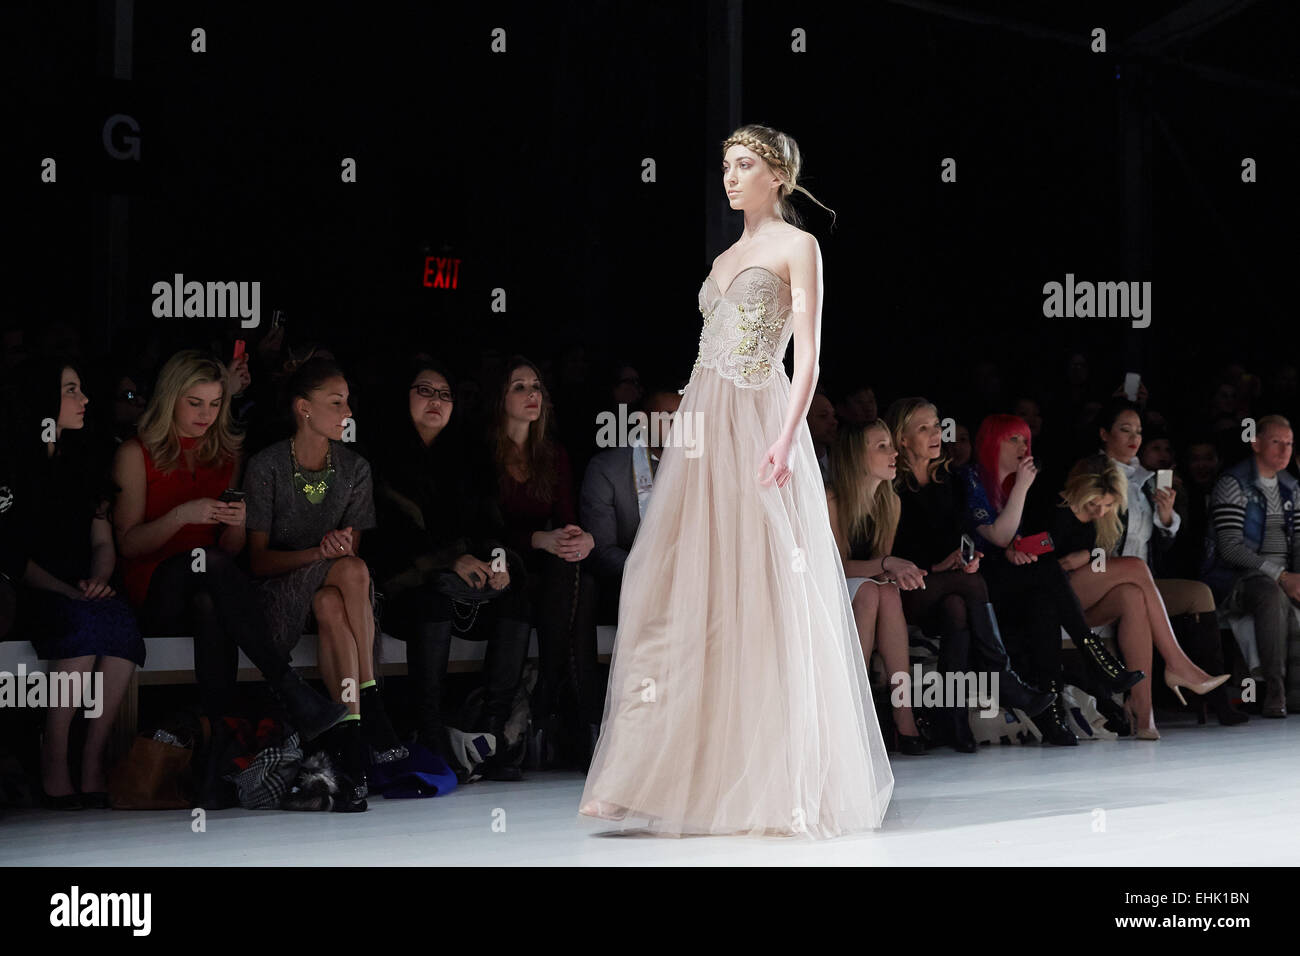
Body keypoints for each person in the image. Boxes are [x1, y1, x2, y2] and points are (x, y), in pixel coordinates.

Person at [579, 124, 893, 837]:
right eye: (725, 164)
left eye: (744, 164)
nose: (730, 176)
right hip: (700, 425)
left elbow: (808, 355)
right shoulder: (724, 258)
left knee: (760, 591)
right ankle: (640, 774)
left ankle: (772, 778)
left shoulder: (796, 247)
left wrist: (786, 436)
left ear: (777, 175)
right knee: (669, 584)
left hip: (757, 422)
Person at [113, 351, 346, 777]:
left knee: (210, 592)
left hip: (211, 586)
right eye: (195, 403)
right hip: (155, 587)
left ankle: (220, 749)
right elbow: (128, 544)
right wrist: (182, 515)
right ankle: (288, 686)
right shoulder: (136, 452)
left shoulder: (226, 453)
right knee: (209, 568)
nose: (206, 414)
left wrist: (237, 525)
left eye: (216, 403)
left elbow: (232, 548)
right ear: (171, 399)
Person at [243, 355, 405, 805]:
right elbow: (256, 562)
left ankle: (350, 752)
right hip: (277, 595)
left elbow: (351, 554)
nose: (347, 412)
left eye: (348, 402)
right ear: (304, 408)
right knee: (350, 572)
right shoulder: (266, 466)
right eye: (336, 402)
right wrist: (319, 551)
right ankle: (372, 701)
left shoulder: (355, 468)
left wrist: (333, 551)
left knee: (334, 600)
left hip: (334, 596)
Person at [365, 356, 531, 782]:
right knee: (431, 600)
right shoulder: (382, 454)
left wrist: (497, 560)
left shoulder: (468, 455)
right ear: (404, 398)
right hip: (406, 592)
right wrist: (447, 559)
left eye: (445, 395)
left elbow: (491, 526)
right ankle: (430, 729)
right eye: (424, 391)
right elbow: (386, 540)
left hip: (466, 591)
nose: (435, 402)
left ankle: (493, 730)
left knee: (518, 594)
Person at [10, 358, 144, 808]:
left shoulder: (85, 462)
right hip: (30, 590)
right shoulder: (13, 467)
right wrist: (70, 592)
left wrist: (100, 579)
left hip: (81, 588)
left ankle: (92, 758)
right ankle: (54, 755)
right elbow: (11, 556)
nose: (83, 399)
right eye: (71, 390)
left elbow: (102, 541)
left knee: (121, 625)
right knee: (83, 628)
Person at [884, 398, 1056, 745]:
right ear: (902, 439)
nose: (935, 434)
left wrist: (968, 557)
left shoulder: (951, 480)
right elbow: (887, 550)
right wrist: (937, 566)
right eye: (924, 428)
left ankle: (955, 720)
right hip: (900, 586)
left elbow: (964, 537)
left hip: (947, 587)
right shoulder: (891, 486)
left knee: (958, 607)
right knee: (969, 587)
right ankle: (1004, 680)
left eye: (936, 425)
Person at [964, 414, 1144, 745]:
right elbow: (997, 536)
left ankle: (1050, 712)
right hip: (977, 584)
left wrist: (1017, 552)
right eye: (1013, 439)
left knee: (1045, 599)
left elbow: (1021, 544)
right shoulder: (974, 479)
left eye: (1025, 440)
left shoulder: (1021, 489)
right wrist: (1021, 491)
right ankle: (1094, 655)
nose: (1022, 447)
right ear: (992, 443)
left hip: (1020, 580)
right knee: (1049, 573)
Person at [1051, 455, 1230, 738]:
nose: (1100, 511)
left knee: (1133, 596)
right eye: (1094, 504)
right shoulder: (1055, 506)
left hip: (1081, 605)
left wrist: (1088, 554)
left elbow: (1098, 555)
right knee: (1136, 567)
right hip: (1051, 597)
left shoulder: (1105, 516)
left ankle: (1143, 710)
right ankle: (1177, 663)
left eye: (1108, 505)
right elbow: (1043, 561)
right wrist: (1081, 557)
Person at [1096, 399, 1242, 724]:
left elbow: (1161, 546)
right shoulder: (1093, 473)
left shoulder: (1149, 480)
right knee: (1134, 583)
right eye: (1125, 429)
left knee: (1199, 593)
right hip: (1102, 578)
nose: (1134, 437)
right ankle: (1176, 671)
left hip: (1142, 577)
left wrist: (1166, 518)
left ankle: (1213, 698)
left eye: (1138, 431)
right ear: (1104, 433)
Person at [824, 421, 927, 753]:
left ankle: (903, 716)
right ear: (856, 455)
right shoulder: (832, 499)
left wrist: (896, 572)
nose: (894, 452)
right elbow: (835, 567)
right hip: (824, 588)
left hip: (865, 589)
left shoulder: (889, 502)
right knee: (870, 591)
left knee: (887, 591)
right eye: (881, 446)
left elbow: (881, 568)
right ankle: (858, 710)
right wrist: (886, 565)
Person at [1208, 415, 1300, 717]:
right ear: (1256, 442)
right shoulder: (1233, 483)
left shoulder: (1291, 487)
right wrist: (1282, 576)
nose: (1285, 450)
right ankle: (1275, 690)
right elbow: (1230, 548)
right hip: (1237, 578)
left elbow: (1298, 541)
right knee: (1269, 593)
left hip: (1283, 574)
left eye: (1289, 443)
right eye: (1277, 442)